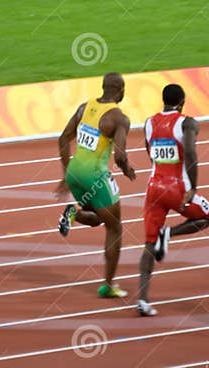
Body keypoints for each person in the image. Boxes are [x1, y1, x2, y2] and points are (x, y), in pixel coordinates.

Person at [56, 73, 136, 298]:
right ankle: (108, 286)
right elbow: (120, 156)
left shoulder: (84, 108)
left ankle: (73, 213)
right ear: (121, 90)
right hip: (96, 177)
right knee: (115, 228)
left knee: (98, 218)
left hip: (75, 173)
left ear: (103, 87)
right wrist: (127, 169)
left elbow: (63, 139)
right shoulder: (119, 118)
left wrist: (66, 174)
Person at [137, 84, 209, 316]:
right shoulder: (188, 123)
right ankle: (169, 233)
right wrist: (193, 187)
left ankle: (142, 300)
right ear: (182, 102)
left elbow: (150, 152)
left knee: (149, 244)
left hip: (154, 188)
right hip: (178, 189)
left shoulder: (149, 123)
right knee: (207, 216)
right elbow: (190, 153)